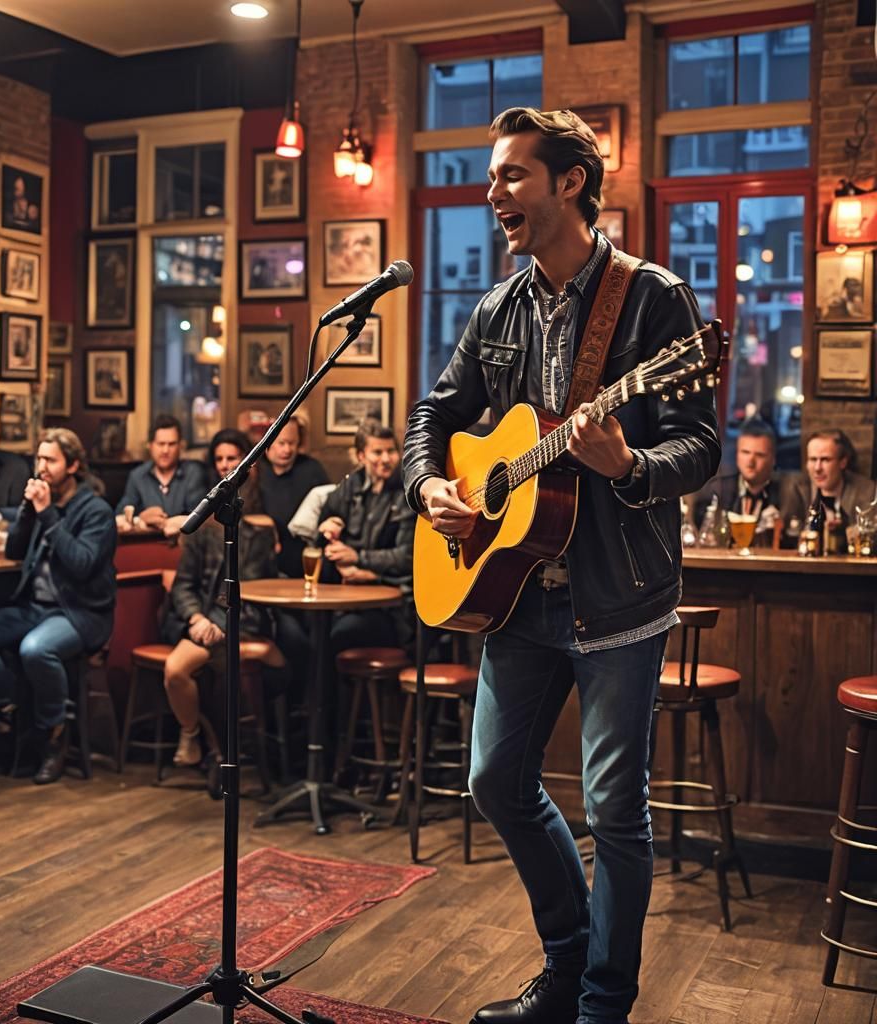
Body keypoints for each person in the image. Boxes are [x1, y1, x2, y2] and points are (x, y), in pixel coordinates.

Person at [402, 107, 720, 1024]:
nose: (491, 193)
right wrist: (430, 487)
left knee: (615, 810)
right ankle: (568, 961)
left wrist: (627, 467)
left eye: (509, 176)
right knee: (495, 781)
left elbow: (700, 444)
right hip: (513, 593)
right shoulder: (497, 306)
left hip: (619, 596)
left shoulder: (652, 298)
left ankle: (600, 1006)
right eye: (492, 177)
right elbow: (436, 413)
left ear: (567, 183)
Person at [0, 429, 117, 785]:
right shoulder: (41, 502)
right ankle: (16, 710)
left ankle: (54, 735)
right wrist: (29, 512)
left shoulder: (96, 511)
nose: (41, 468)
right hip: (35, 607)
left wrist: (46, 515)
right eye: (38, 459)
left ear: (73, 465)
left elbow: (81, 565)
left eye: (51, 461)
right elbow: (15, 551)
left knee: (35, 650)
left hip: (81, 612)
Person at [159, 428, 286, 786]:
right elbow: (184, 584)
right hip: (203, 622)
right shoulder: (206, 519)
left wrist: (220, 622)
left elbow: (258, 590)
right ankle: (195, 735)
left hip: (244, 620)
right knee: (180, 669)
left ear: (250, 461)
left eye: (233, 458)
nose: (227, 465)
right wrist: (197, 618)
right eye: (220, 460)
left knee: (217, 669)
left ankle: (222, 753)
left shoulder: (263, 520)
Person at [316, 419, 414, 653]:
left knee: (337, 634)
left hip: (396, 608)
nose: (386, 458)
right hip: (351, 597)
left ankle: (356, 690)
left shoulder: (408, 490)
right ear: (361, 456)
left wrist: (358, 558)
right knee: (315, 627)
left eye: (391, 450)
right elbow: (323, 533)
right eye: (377, 452)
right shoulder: (351, 485)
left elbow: (407, 557)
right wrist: (327, 530)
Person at [257, 416, 329, 579]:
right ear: (268, 441)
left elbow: (329, 507)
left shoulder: (312, 469)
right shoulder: (255, 470)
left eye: (292, 443)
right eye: (281, 443)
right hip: (262, 557)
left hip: (302, 557)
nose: (287, 450)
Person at [116, 414, 208, 534]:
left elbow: (199, 518)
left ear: (180, 446)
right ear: (150, 445)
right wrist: (141, 518)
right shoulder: (137, 476)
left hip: (184, 544)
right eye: (161, 444)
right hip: (148, 545)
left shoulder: (193, 472)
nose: (165, 450)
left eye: (171, 444)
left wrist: (165, 523)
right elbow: (120, 515)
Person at [694, 418, 784, 527]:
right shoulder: (716, 490)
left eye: (760, 455)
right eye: (745, 452)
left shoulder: (785, 495)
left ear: (773, 459)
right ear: (737, 454)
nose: (750, 461)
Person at [781, 429, 877, 529]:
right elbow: (785, 533)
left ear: (843, 462)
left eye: (825, 459)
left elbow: (869, 532)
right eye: (813, 459)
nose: (817, 468)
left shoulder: (866, 490)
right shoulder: (796, 488)